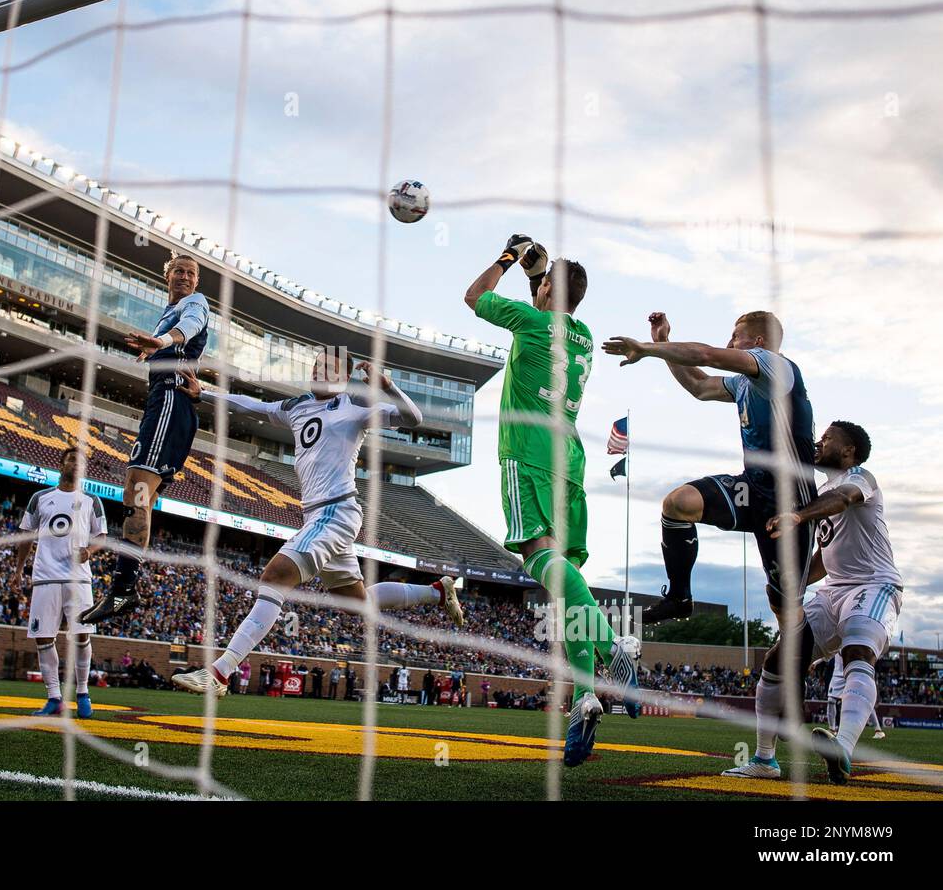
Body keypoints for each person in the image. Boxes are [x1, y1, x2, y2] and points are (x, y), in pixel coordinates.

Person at [170, 349, 464, 696]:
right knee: (357, 602)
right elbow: (253, 406)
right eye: (317, 364)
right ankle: (437, 592)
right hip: (318, 515)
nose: (319, 370)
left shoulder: (354, 410)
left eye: (328, 367)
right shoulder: (298, 407)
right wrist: (205, 394)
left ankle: (219, 674)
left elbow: (412, 418)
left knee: (275, 576)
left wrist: (388, 386)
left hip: (336, 511)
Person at [465, 234, 640, 766]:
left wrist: (505, 258)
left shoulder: (530, 320)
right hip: (571, 457)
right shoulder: (582, 333)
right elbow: (551, 294)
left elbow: (473, 297)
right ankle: (585, 696)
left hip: (528, 450)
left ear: (542, 292)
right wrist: (537, 268)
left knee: (538, 559)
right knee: (567, 583)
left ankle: (615, 650)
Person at [602, 311, 817, 624]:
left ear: (758, 342)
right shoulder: (745, 383)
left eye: (735, 336)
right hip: (753, 488)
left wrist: (647, 350)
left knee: (786, 614)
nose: (729, 342)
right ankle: (679, 598)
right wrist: (663, 344)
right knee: (679, 503)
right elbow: (700, 386)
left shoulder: (775, 366)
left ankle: (800, 669)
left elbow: (706, 355)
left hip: (789, 506)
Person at [723, 422, 901, 783]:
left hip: (874, 585)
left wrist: (800, 515)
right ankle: (764, 759)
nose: (819, 443)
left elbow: (848, 497)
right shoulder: (823, 491)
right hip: (833, 590)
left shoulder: (860, 477)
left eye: (828, 438)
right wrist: (790, 583)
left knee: (857, 651)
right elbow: (824, 558)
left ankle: (843, 748)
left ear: (849, 450)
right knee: (777, 659)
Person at [82, 254, 209, 624]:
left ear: (196, 281)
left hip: (170, 400)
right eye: (178, 271)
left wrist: (161, 341)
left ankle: (123, 590)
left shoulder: (194, 305)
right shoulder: (167, 311)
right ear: (166, 275)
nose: (184, 277)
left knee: (136, 489)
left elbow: (190, 326)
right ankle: (124, 589)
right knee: (143, 499)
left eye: (191, 273)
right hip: (164, 403)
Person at [12, 445, 107, 718]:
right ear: (61, 464)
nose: (75, 466)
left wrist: (89, 551)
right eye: (71, 461)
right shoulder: (40, 497)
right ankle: (54, 697)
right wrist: (19, 570)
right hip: (45, 577)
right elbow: (25, 535)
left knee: (82, 634)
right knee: (43, 637)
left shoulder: (92, 500)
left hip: (79, 579)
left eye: (80, 463)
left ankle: (83, 693)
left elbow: (101, 536)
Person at [825, 652, 885, 740]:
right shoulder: (837, 640)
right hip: (837, 676)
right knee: (831, 700)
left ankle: (878, 730)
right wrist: (815, 662)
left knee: (864, 701)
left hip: (852, 673)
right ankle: (832, 729)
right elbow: (827, 653)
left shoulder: (854, 642)